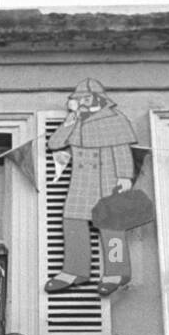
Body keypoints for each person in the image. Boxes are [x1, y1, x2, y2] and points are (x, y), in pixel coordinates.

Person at [45, 78, 138, 296]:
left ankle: (116, 272)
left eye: (87, 98)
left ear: (98, 98)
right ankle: (74, 270)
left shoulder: (115, 119)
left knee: (112, 228)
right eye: (80, 99)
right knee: (73, 222)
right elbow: (54, 143)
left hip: (107, 179)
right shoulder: (76, 121)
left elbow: (122, 151)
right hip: (81, 180)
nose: (84, 102)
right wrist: (71, 118)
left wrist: (124, 177)